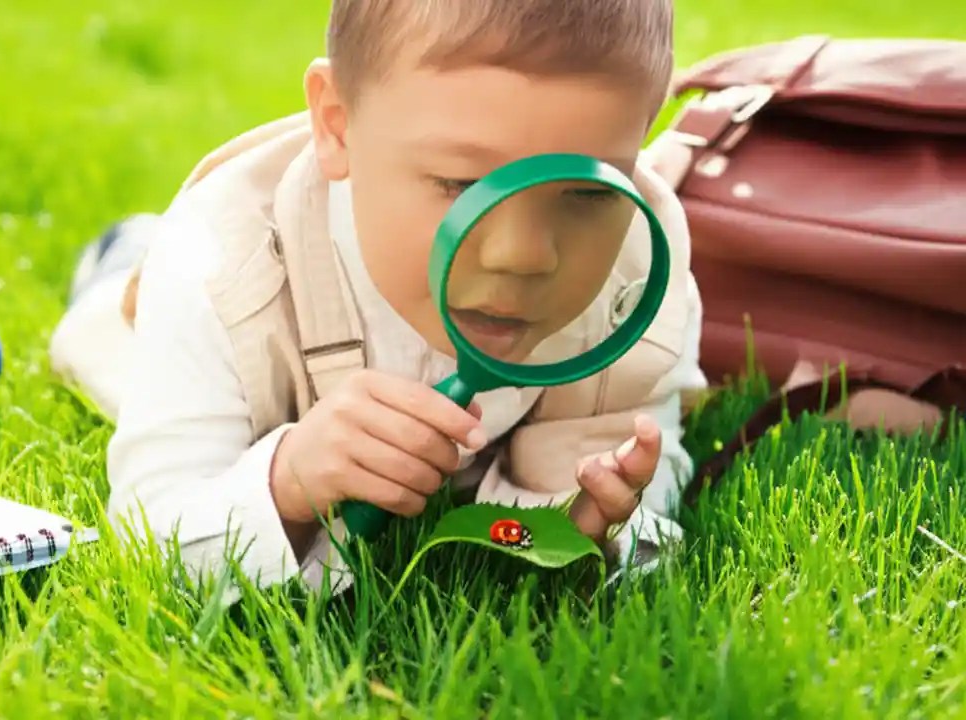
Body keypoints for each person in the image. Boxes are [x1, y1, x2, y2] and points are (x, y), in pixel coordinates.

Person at [49, 0, 707, 592]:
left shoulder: (639, 271)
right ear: (336, 127)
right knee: (111, 342)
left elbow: (650, 458)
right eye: (457, 183)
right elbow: (145, 537)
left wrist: (581, 521)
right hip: (184, 312)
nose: (524, 256)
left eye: (587, 191)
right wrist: (287, 481)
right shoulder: (221, 270)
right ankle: (122, 261)